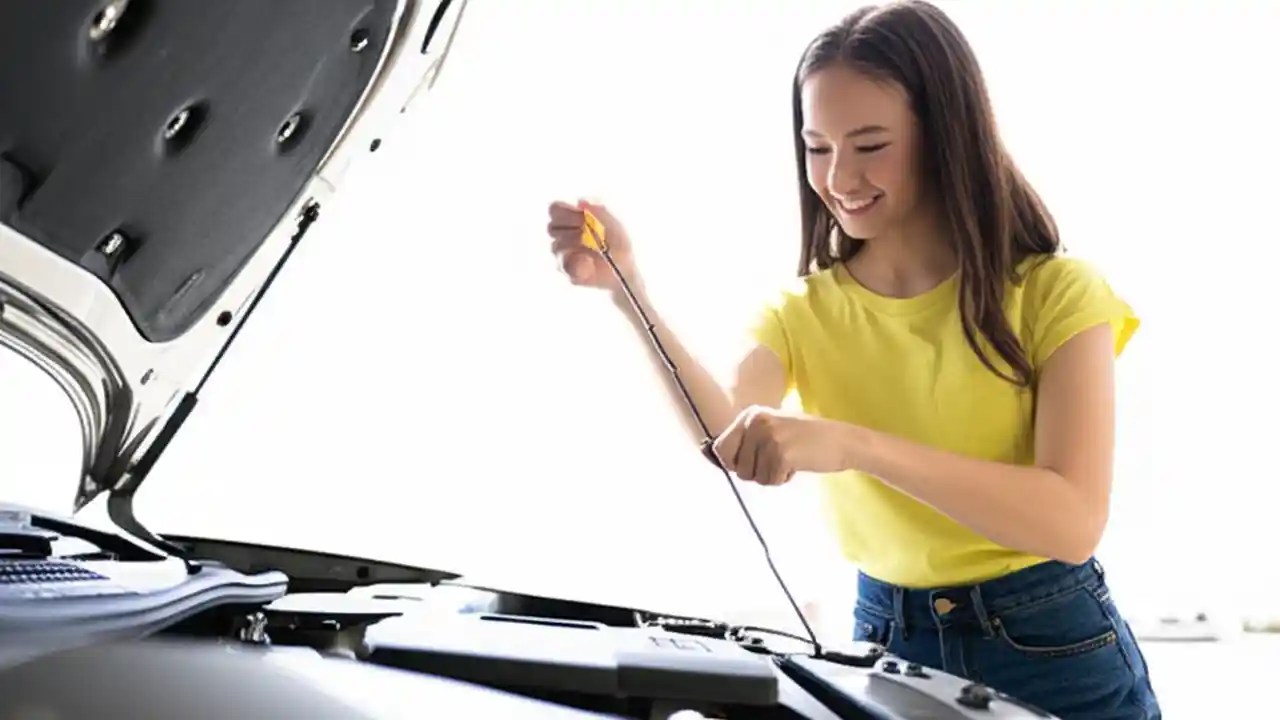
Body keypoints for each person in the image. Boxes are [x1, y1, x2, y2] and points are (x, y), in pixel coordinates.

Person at [542, 1, 1160, 718]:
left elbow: (1071, 521)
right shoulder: (803, 311)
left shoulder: (1058, 293)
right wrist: (629, 293)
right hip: (883, 639)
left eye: (870, 146)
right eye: (817, 146)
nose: (838, 176)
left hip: (1049, 645)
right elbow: (733, 438)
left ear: (945, 138)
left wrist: (856, 446)